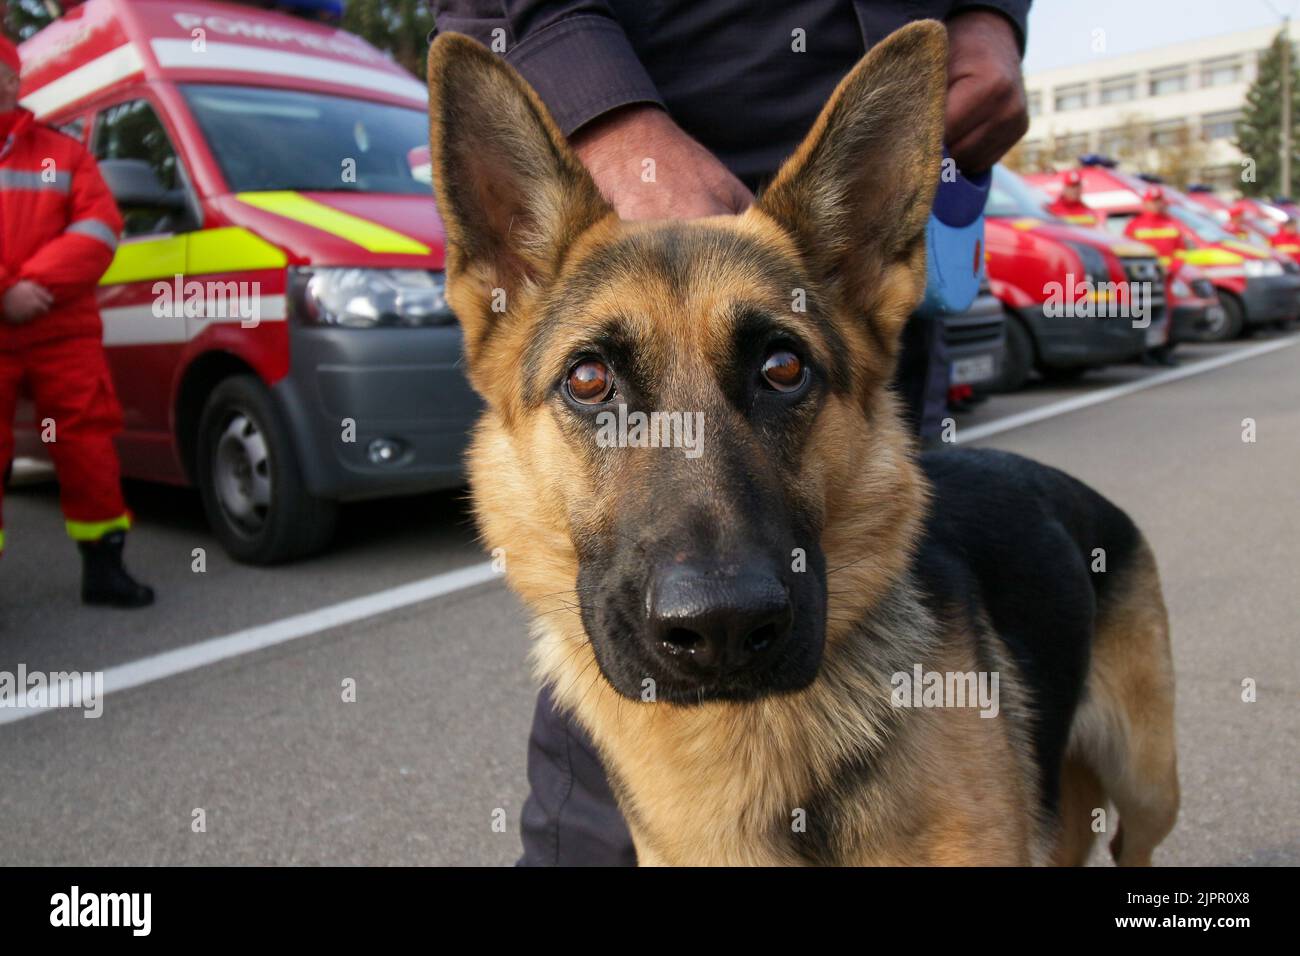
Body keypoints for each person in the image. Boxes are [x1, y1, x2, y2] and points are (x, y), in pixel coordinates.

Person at [429, 0, 1031, 865]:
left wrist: (991, 14)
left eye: (780, 375)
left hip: (873, 178)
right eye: (593, 384)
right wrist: (605, 110)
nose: (712, 598)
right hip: (660, 100)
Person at [0, 35, 154, 607]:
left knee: (87, 444)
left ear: (15, 82)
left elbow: (98, 227)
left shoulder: (61, 154)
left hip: (60, 325)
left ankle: (104, 568)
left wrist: (32, 287)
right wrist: (6, 290)